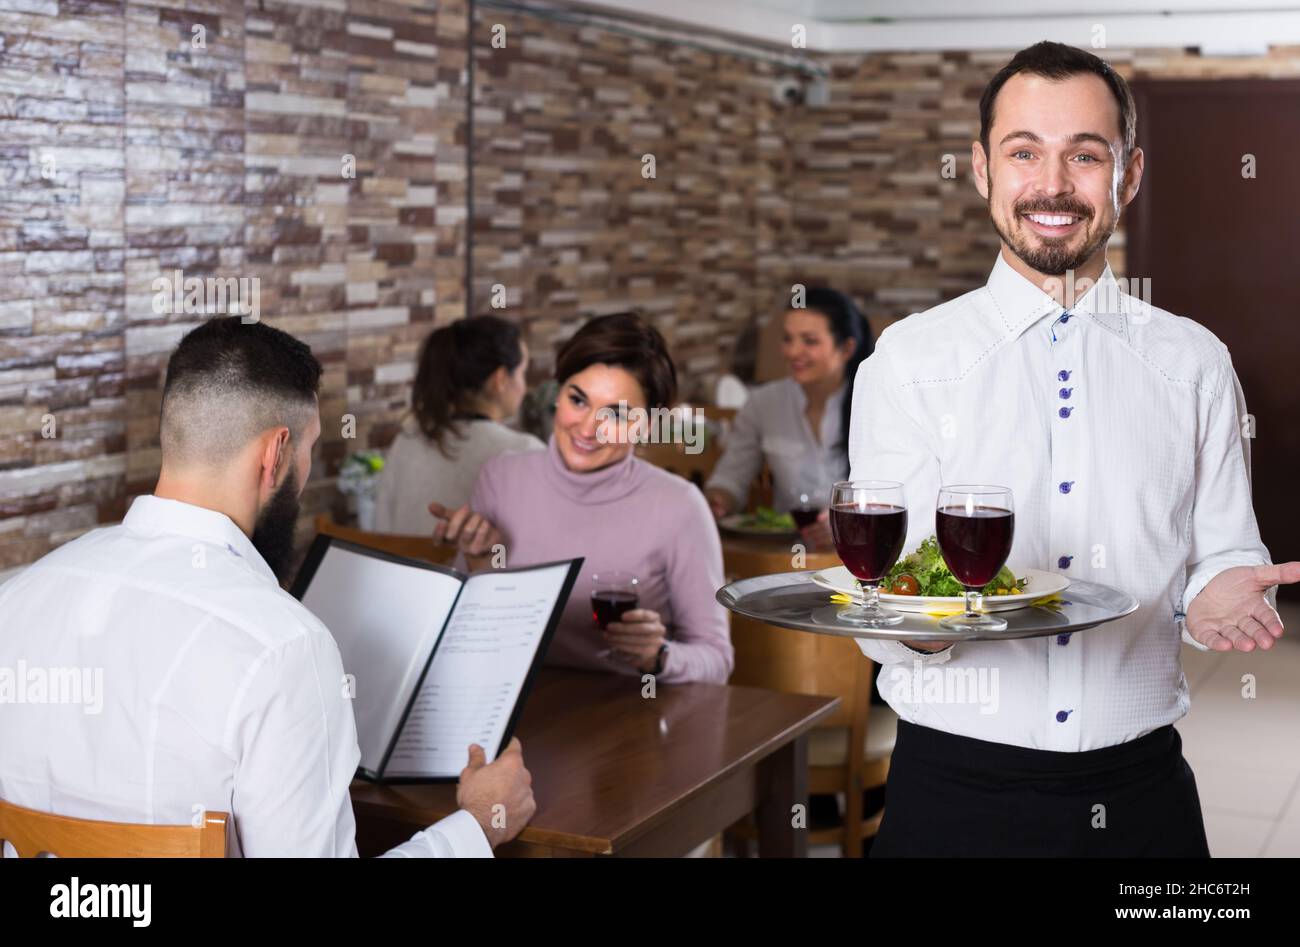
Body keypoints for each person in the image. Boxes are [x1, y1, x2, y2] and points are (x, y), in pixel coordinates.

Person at [848, 41, 1299, 857]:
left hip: (1142, 795)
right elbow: (891, 592)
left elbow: (1223, 556)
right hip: (950, 796)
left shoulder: (1195, 361)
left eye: (1084, 155)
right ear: (982, 168)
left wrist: (1213, 597)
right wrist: (915, 619)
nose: (1052, 186)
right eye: (1025, 152)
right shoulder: (908, 362)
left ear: (1127, 175)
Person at [0, 317, 535, 857]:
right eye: (308, 452)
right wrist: (474, 828)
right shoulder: (285, 648)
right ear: (275, 453)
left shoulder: (17, 598)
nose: (303, 474)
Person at [430, 312, 733, 684]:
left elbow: (716, 659)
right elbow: (463, 634)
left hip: (632, 714)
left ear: (649, 426)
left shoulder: (680, 506)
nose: (588, 428)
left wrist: (660, 656)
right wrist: (478, 565)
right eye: (578, 400)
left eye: (616, 414)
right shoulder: (502, 477)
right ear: (558, 393)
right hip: (522, 710)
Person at [705, 288, 873, 552]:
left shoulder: (873, 403)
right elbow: (731, 476)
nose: (794, 352)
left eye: (809, 341)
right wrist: (717, 501)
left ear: (847, 348)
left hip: (858, 555)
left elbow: (896, 492)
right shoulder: (764, 403)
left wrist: (849, 524)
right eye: (787, 339)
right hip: (786, 557)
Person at [375, 315, 542, 534]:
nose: (525, 386)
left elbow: (382, 528)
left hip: (401, 568)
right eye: (523, 372)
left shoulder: (407, 441)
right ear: (500, 379)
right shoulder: (526, 453)